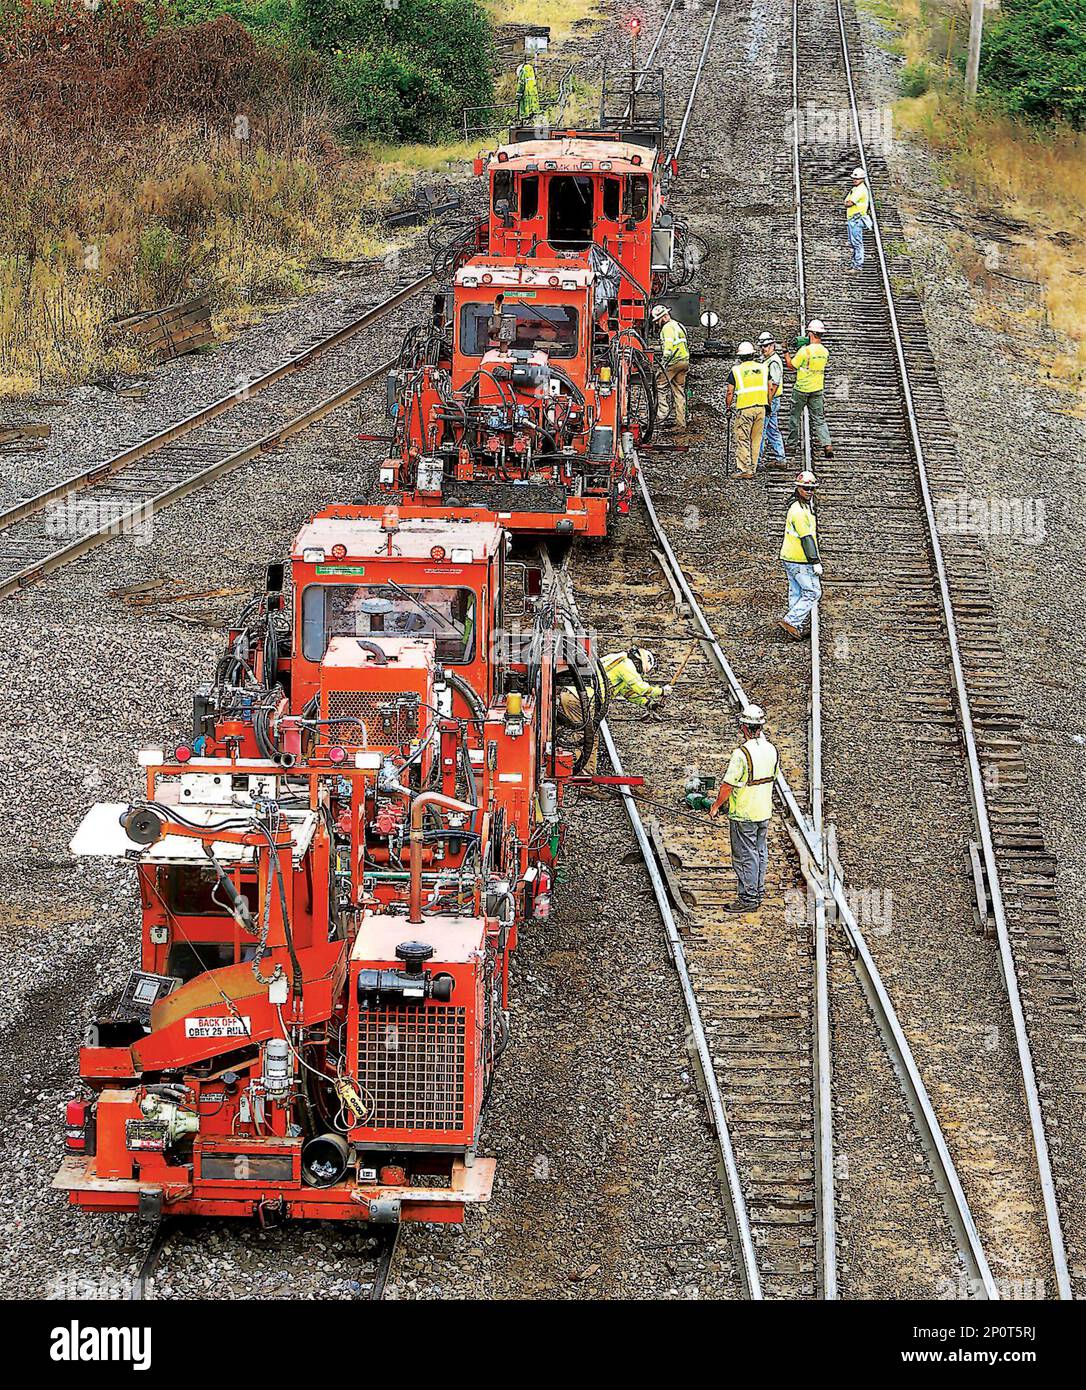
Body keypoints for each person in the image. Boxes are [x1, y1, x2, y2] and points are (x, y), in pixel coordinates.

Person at [708, 704, 779, 913]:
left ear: (744, 728)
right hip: (763, 811)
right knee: (760, 851)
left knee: (745, 855)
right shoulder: (771, 749)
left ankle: (748, 898)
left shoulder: (741, 754)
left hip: (744, 813)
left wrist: (715, 807)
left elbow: (728, 785)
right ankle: (757, 890)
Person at [777, 471, 823, 640]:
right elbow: (806, 538)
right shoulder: (799, 512)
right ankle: (791, 621)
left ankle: (794, 627)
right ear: (798, 488)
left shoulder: (800, 506)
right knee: (813, 592)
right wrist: (815, 561)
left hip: (789, 557)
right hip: (800, 559)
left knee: (796, 592)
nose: (809, 491)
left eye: (812, 488)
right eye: (806, 488)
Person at [725, 340, 774, 480]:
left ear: (740, 357)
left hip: (745, 409)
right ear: (753, 354)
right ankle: (752, 467)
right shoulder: (764, 368)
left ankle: (745, 468)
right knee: (756, 439)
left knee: (742, 438)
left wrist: (728, 407)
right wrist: (768, 404)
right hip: (761, 408)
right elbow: (771, 387)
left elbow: (730, 392)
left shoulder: (736, 370)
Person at [785, 319, 833, 460]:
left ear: (811, 334)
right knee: (819, 418)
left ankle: (792, 446)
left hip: (801, 389)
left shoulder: (804, 351)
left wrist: (786, 352)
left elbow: (791, 366)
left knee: (795, 417)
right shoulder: (825, 352)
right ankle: (827, 444)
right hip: (817, 389)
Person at [651, 304, 690, 431]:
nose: (657, 323)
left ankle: (661, 415)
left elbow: (668, 349)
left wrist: (662, 365)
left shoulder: (666, 328)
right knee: (679, 391)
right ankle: (681, 423)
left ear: (662, 318)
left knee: (659, 385)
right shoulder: (678, 325)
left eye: (657, 321)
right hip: (684, 361)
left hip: (674, 361)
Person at [601, 647, 672, 706]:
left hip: (595, 696)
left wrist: (646, 702)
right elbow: (641, 688)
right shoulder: (627, 665)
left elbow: (627, 691)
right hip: (593, 696)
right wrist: (661, 691)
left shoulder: (619, 658)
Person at [757, 331, 785, 465]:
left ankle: (756, 461)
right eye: (762, 346)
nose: (763, 349)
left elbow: (774, 384)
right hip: (772, 400)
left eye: (766, 346)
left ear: (773, 345)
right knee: (772, 430)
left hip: (770, 400)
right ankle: (781, 458)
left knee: (761, 430)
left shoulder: (773, 362)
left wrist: (767, 402)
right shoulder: (769, 360)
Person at [845, 167, 871, 272]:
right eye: (854, 178)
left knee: (857, 243)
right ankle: (855, 264)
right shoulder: (856, 188)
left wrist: (847, 203)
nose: (855, 180)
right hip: (853, 218)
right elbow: (847, 201)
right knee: (854, 242)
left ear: (863, 179)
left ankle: (857, 265)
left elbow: (849, 203)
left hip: (857, 219)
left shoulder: (860, 190)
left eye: (858, 178)